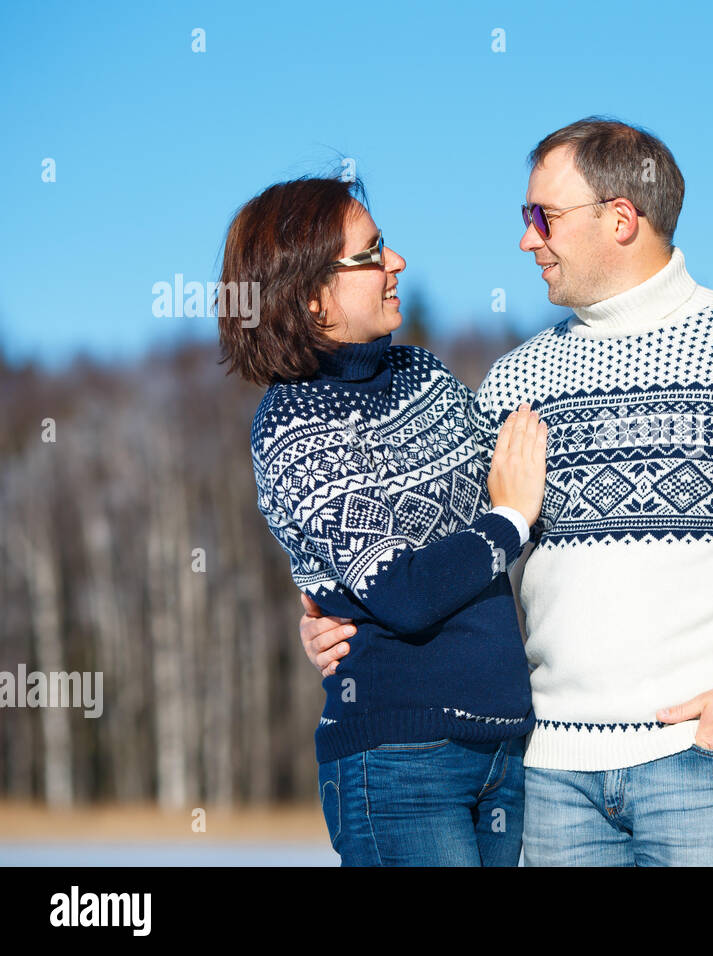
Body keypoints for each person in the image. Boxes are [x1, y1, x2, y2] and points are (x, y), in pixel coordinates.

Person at [301, 118, 713, 866]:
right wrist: (333, 612)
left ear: (620, 219)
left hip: (709, 764)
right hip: (546, 778)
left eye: (541, 217)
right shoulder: (513, 382)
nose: (526, 239)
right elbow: (424, 546)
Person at [218, 176, 548, 865]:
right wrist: (508, 520)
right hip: (399, 759)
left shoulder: (423, 374)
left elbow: (524, 482)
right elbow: (405, 592)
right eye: (370, 255)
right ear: (309, 295)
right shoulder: (293, 424)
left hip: (503, 747)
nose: (396, 263)